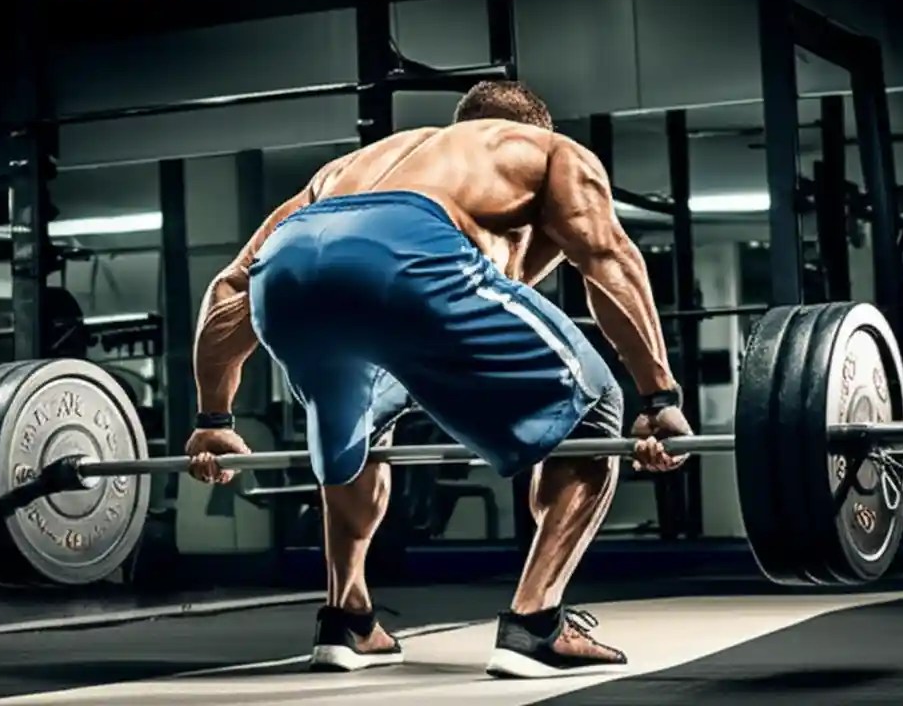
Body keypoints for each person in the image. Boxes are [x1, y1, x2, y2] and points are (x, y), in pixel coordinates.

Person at [185, 80, 693, 679]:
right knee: (593, 402)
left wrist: (213, 421)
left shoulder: (352, 165)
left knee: (361, 433)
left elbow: (229, 289)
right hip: (412, 250)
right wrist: (659, 396)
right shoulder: (548, 150)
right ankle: (536, 624)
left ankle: (347, 617)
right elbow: (608, 260)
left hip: (292, 268)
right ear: (534, 125)